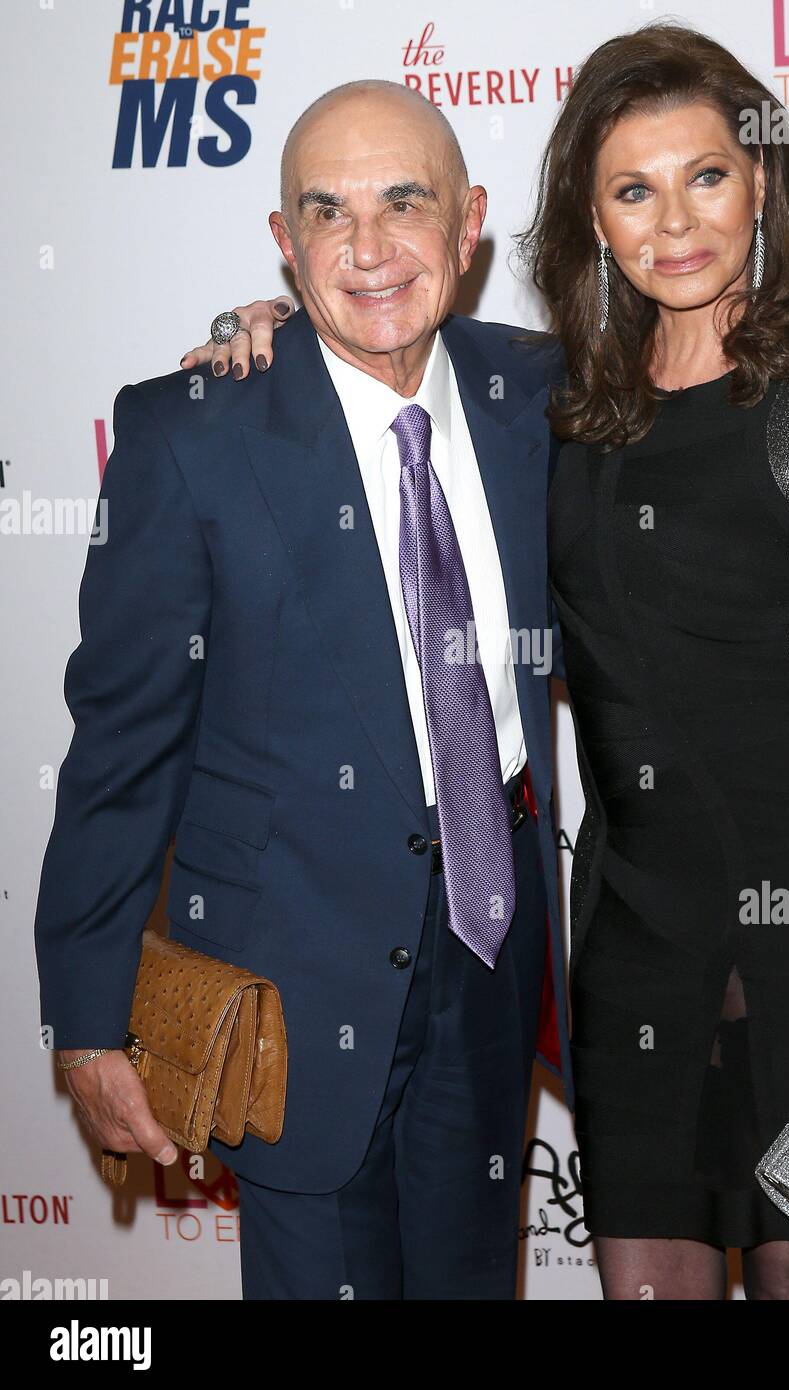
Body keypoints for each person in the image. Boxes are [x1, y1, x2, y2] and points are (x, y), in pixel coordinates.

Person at [209, 23, 789, 1302]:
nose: (676, 222)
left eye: (706, 177)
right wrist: (264, 325)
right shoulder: (558, 397)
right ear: (593, 221)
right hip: (629, 942)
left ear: (761, 184)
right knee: (646, 1283)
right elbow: (385, 354)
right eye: (633, 189)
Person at [33, 79, 572, 1301]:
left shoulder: (538, 396)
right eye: (326, 212)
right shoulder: (190, 434)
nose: (368, 246)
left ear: (470, 222)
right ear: (282, 240)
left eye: (404, 203)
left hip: (494, 966)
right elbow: (122, 743)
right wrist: (86, 1015)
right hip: (287, 987)